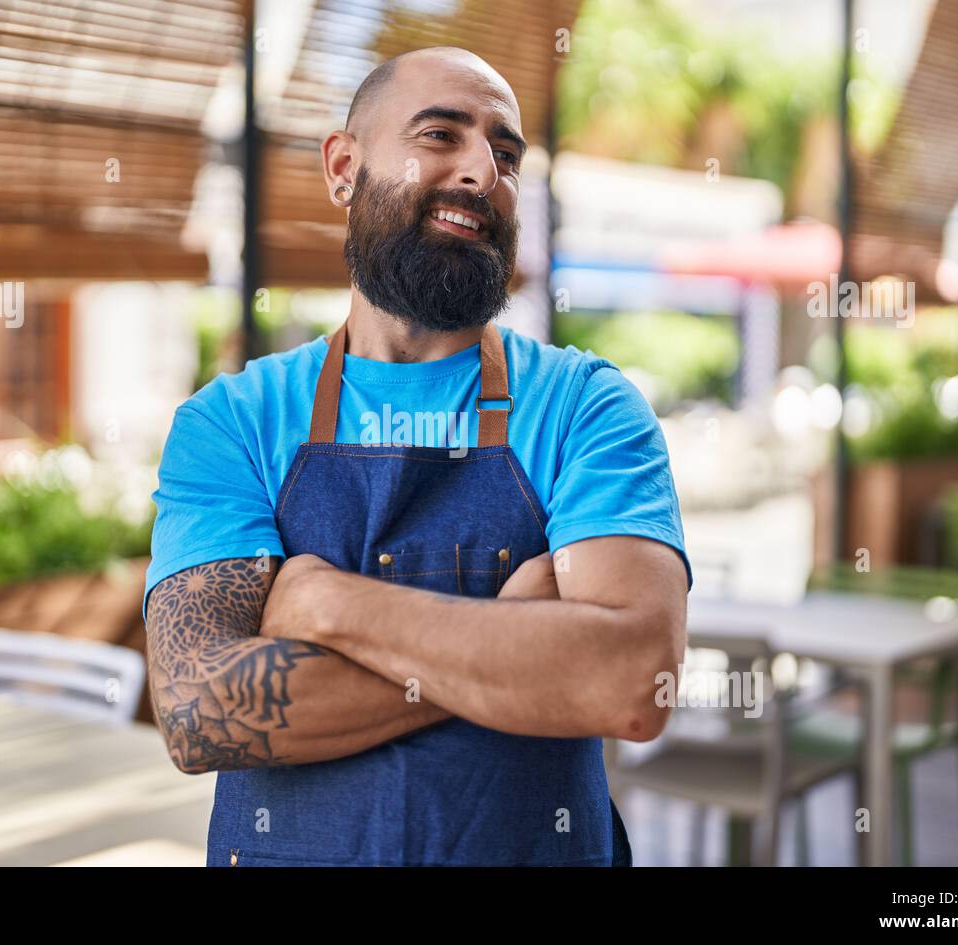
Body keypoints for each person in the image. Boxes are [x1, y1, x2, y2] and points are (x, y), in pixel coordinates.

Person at [143, 46, 692, 867]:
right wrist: (520, 651)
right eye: (441, 135)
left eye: (506, 155)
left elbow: (629, 684)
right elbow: (199, 709)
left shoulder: (588, 407)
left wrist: (327, 604)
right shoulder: (234, 420)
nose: (482, 171)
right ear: (344, 167)